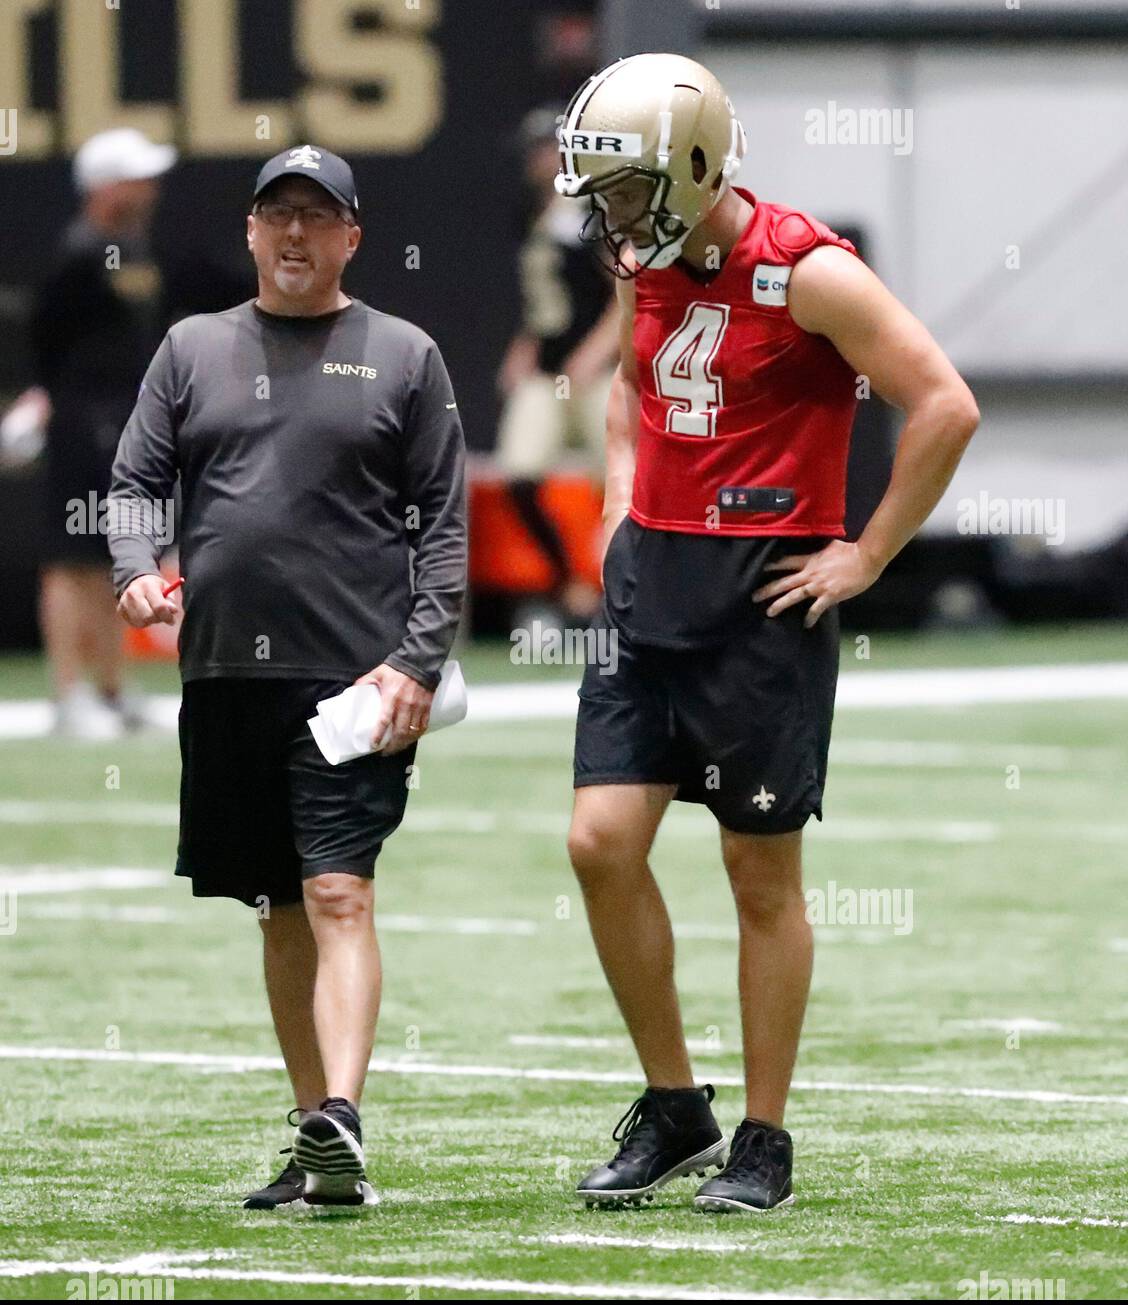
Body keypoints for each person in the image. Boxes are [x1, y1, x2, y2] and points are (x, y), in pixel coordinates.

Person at [557, 55, 979, 1212]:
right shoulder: (650, 260)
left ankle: (764, 1137)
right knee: (600, 843)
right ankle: (676, 1106)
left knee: (758, 873)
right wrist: (613, 504)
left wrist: (869, 553)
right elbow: (631, 394)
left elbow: (944, 400)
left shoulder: (805, 269)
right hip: (652, 582)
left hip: (764, 592)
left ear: (691, 169)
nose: (611, 215)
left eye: (629, 188)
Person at [108, 145, 467, 1208]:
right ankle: (321, 1143)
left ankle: (340, 1112)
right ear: (252, 233)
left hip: (355, 684)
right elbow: (134, 481)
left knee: (338, 890)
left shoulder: (404, 355)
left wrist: (418, 660)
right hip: (222, 673)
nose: (296, 235)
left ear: (352, 236)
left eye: (319, 217)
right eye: (279, 217)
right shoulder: (191, 348)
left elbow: (445, 524)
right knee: (276, 905)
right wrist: (135, 570)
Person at [31, 127, 177, 737]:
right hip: (77, 424)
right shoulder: (76, 255)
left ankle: (113, 691)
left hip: (122, 421)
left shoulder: (134, 248)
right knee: (73, 559)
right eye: (136, 176)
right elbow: (42, 343)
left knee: (115, 554)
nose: (150, 187)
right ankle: (70, 696)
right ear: (105, 187)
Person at [496, 109, 618, 622]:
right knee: (519, 474)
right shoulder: (534, 215)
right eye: (534, 150)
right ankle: (567, 584)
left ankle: (622, 593)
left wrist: (595, 353)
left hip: (590, 371)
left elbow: (627, 293)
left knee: (620, 484)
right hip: (548, 374)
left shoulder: (594, 213)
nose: (538, 159)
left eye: (547, 148)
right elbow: (546, 301)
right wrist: (525, 344)